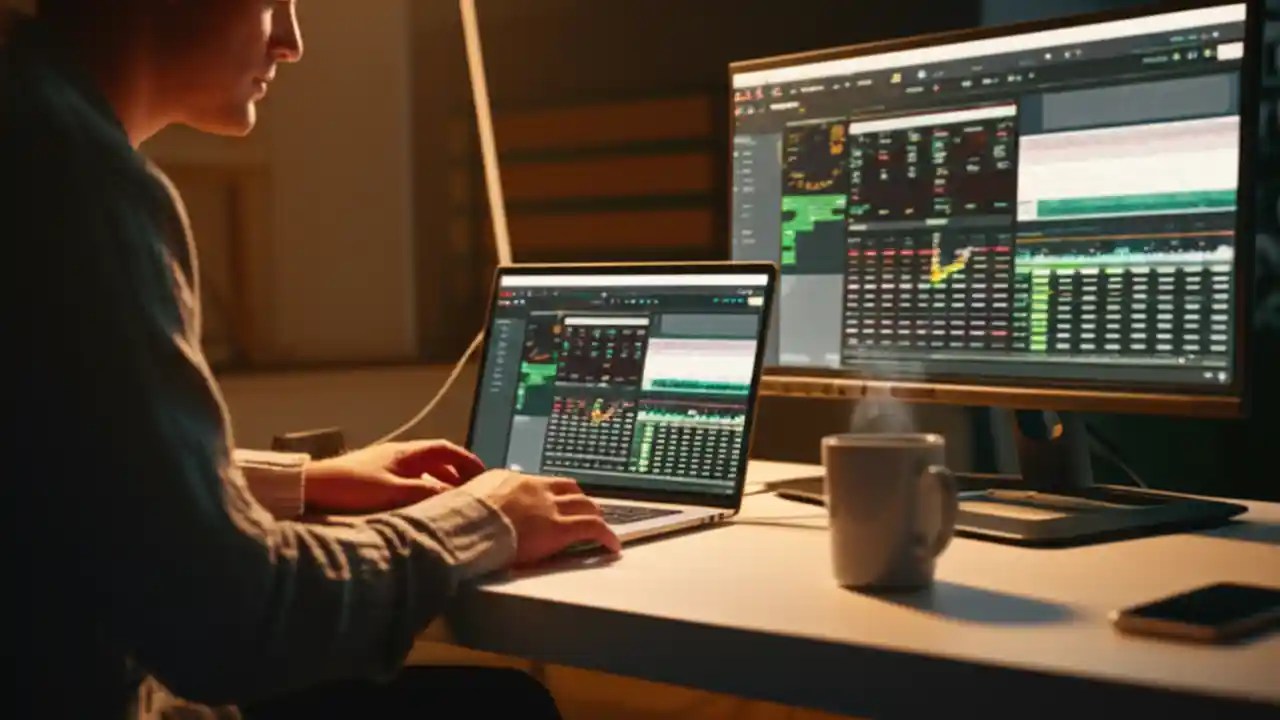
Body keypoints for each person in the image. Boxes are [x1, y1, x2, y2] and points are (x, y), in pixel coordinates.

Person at [1, 1, 621, 718]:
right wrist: (481, 520)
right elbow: (231, 615)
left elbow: (63, 473)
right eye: (276, 2)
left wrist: (302, 483)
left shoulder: (26, 113)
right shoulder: (74, 179)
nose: (290, 42)